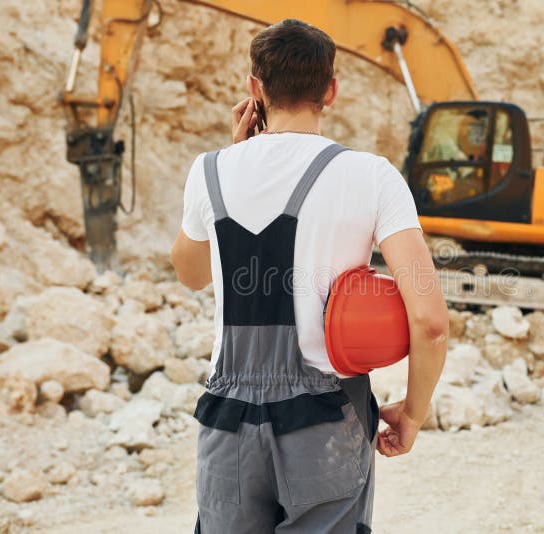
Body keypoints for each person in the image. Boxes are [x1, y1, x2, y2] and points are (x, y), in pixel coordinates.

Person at [170, 19, 447, 533]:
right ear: (331, 90)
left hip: (227, 423)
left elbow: (189, 274)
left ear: (255, 89)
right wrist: (412, 413)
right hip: (325, 422)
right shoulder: (372, 176)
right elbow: (430, 321)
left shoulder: (209, 170)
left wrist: (233, 157)